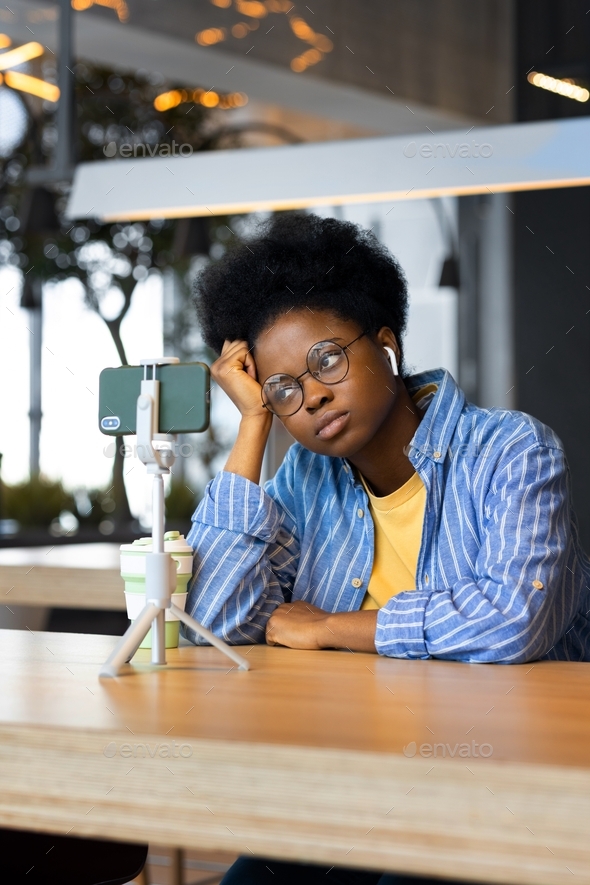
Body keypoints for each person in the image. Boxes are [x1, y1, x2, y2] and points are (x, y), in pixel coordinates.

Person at [184, 213, 590, 884]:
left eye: (328, 360)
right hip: (351, 776)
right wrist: (253, 425)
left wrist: (328, 628)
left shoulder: (511, 449)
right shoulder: (307, 478)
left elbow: (518, 617)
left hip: (507, 781)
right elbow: (213, 618)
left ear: (387, 343)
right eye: (283, 387)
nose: (311, 394)